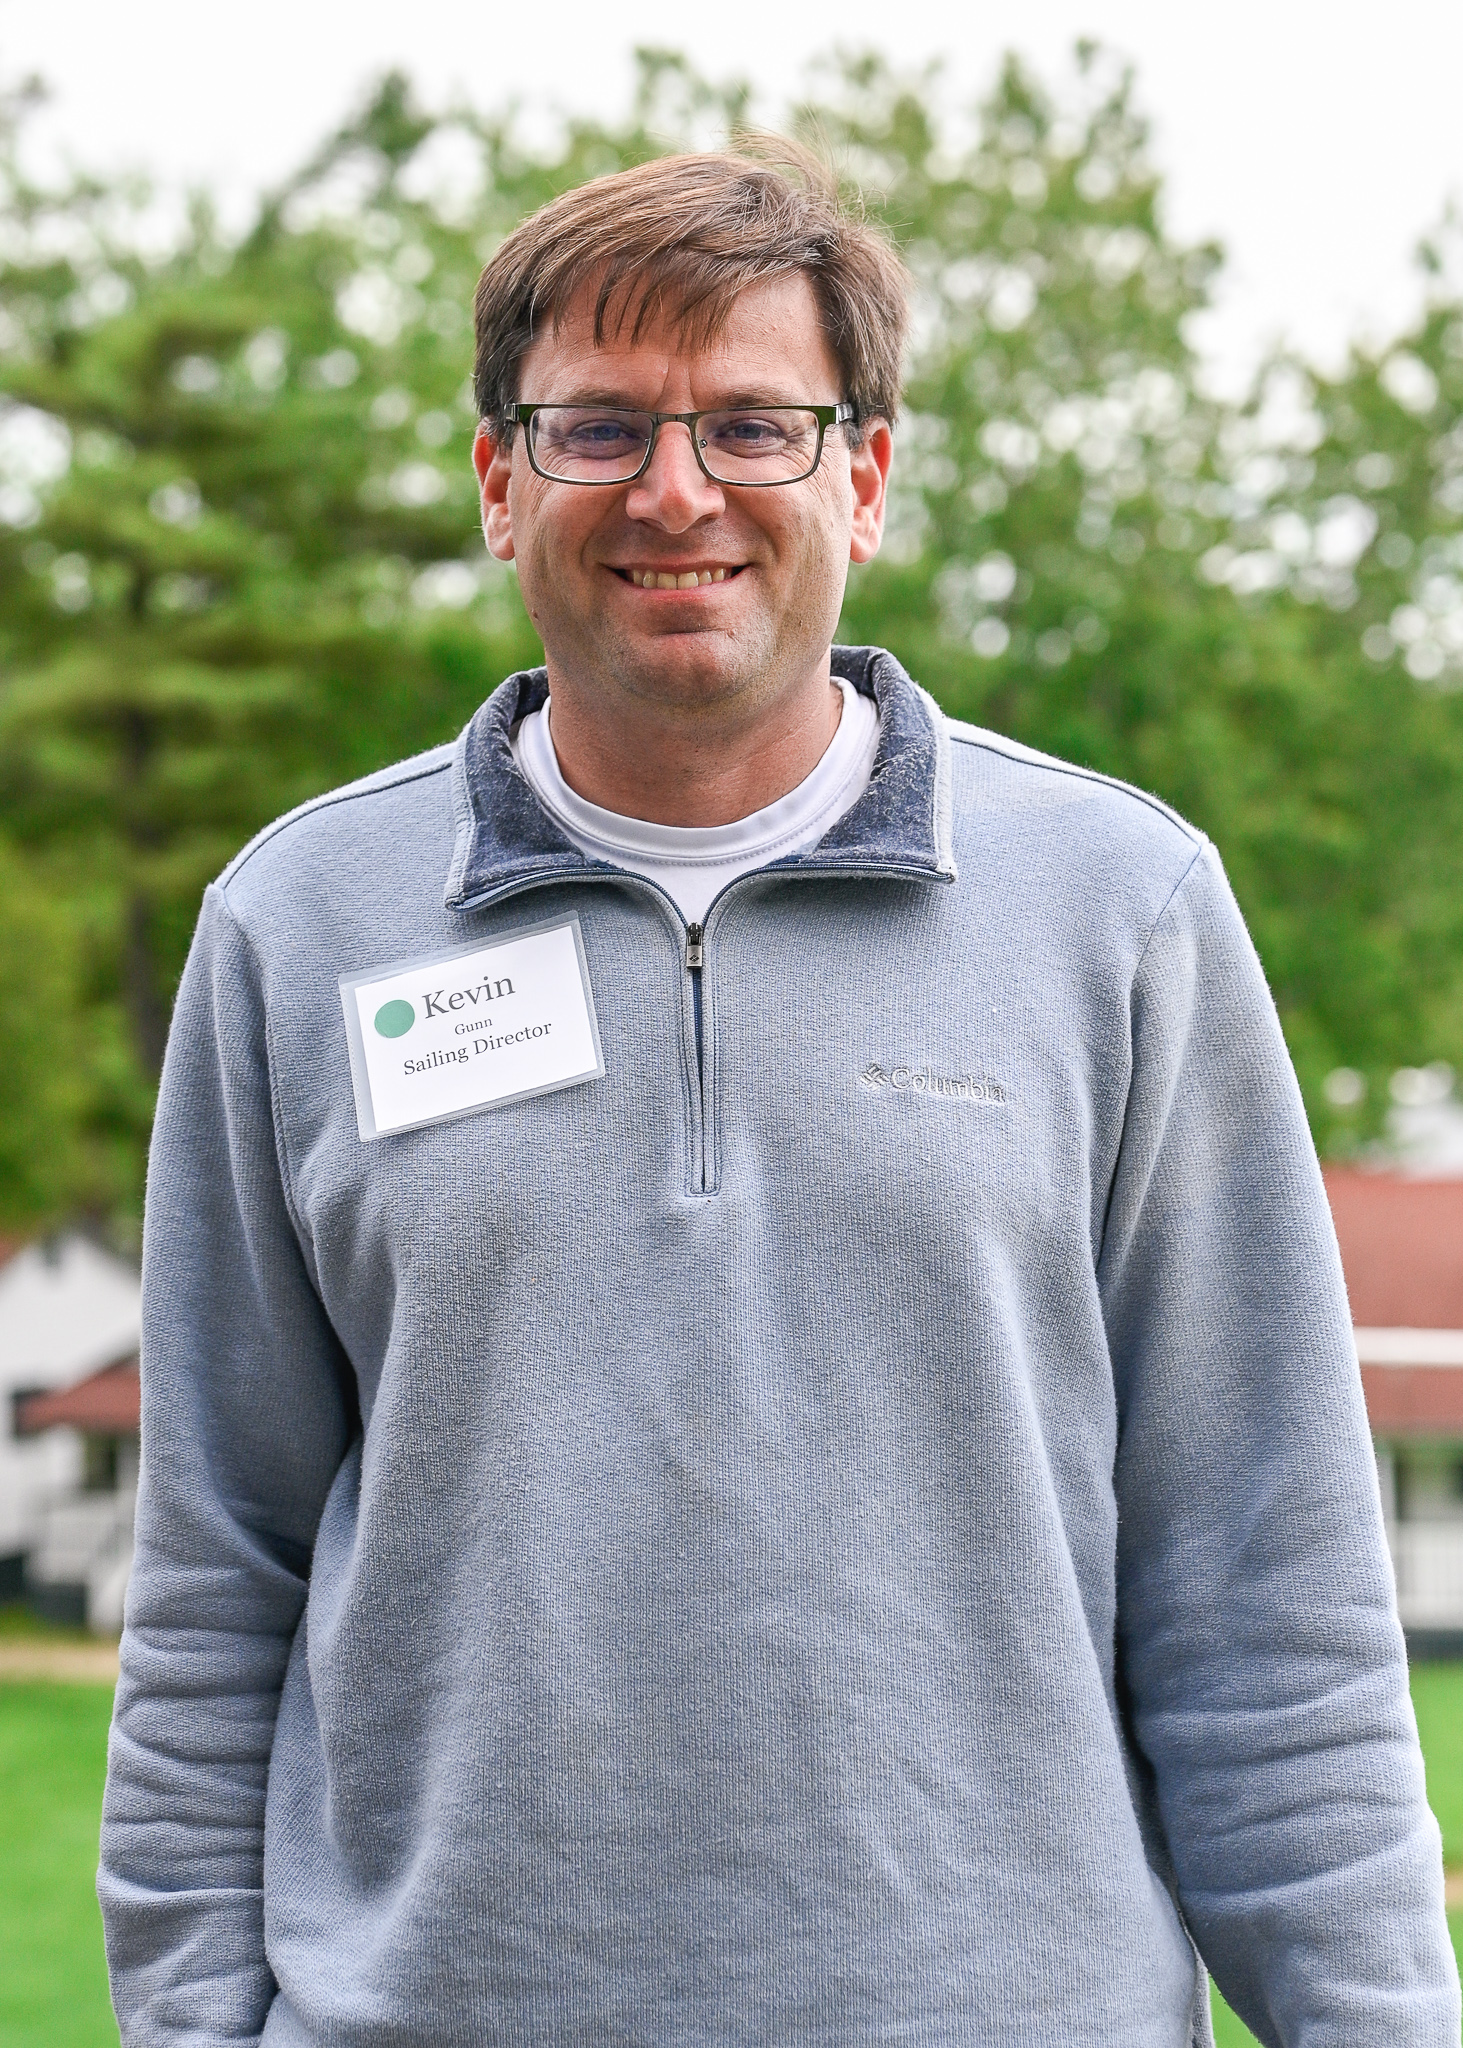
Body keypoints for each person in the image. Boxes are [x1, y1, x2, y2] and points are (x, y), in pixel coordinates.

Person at [99, 147, 1458, 2048]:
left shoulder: (1123, 909)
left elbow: (1269, 1587)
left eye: (754, 426)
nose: (676, 493)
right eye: (598, 429)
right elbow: (212, 1584)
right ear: (503, 481)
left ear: (866, 478)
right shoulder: (296, 929)